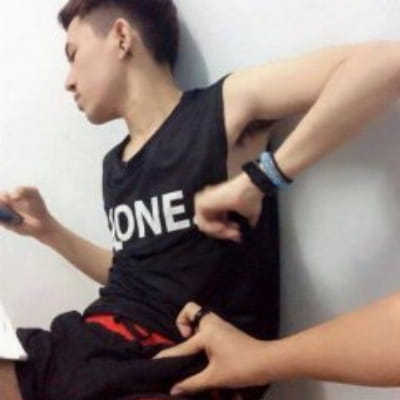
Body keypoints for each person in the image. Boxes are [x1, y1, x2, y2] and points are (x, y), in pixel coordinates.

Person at [0, 0, 400, 399]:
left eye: (73, 56)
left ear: (121, 37)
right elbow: (135, 274)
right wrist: (48, 232)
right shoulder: (114, 166)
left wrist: (261, 179)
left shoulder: (218, 109)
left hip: (180, 359)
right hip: (95, 340)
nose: (68, 81)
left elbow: (384, 63)